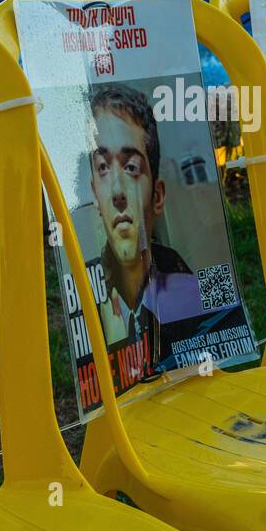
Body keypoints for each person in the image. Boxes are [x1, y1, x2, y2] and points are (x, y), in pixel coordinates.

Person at [87, 84, 202, 373]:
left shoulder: (192, 297)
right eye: (103, 167)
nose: (117, 191)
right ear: (94, 196)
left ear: (158, 196)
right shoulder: (84, 303)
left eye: (131, 168)